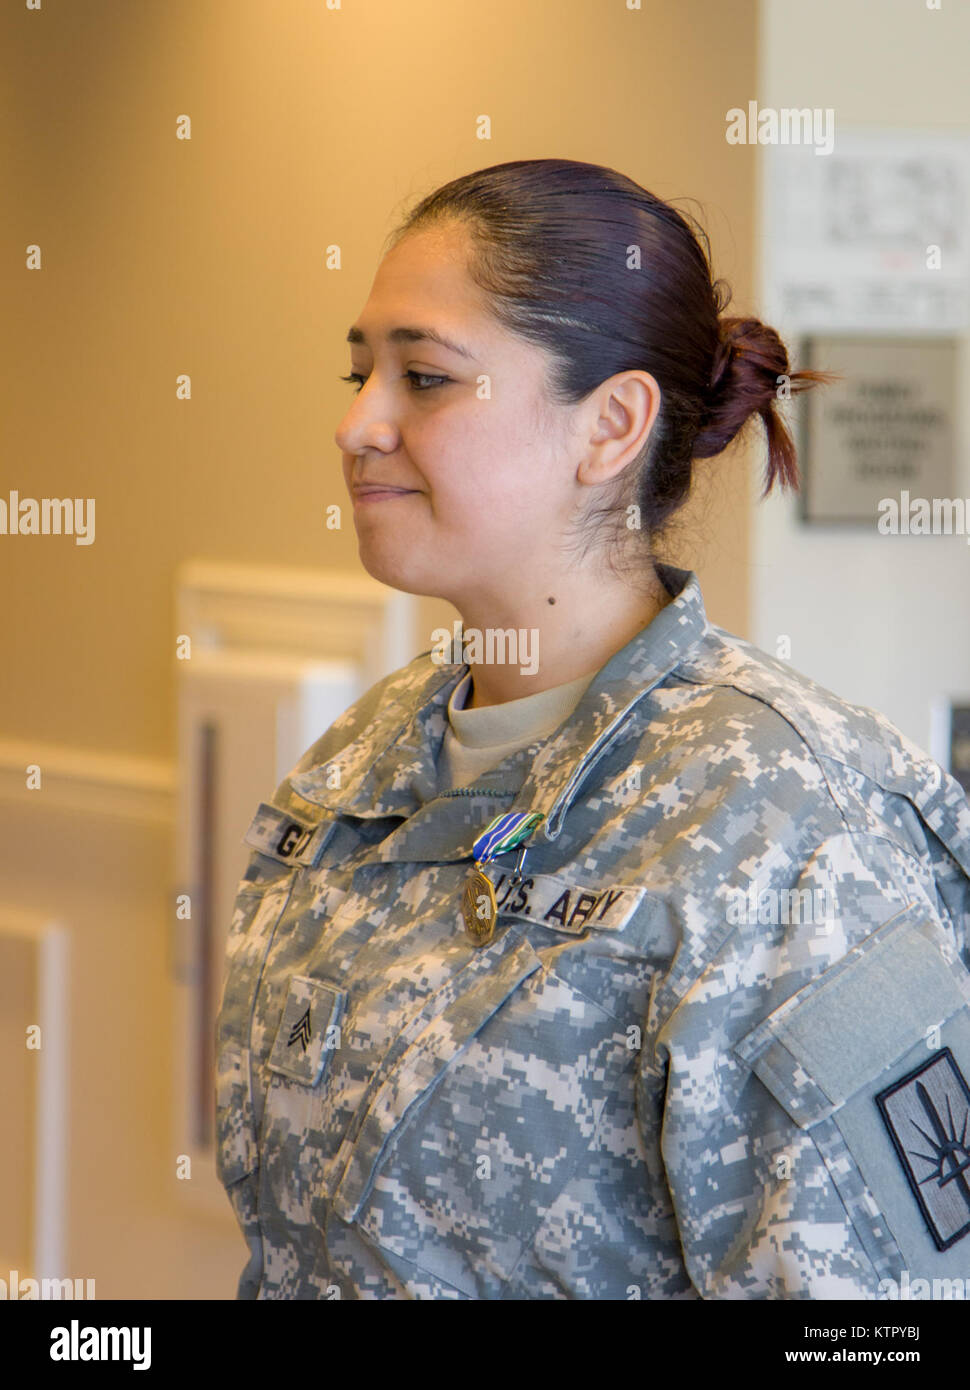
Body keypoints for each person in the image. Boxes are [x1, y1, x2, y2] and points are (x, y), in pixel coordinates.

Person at [215, 158, 970, 1300]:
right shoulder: (358, 765)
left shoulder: (787, 817)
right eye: (358, 369)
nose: (357, 421)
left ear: (610, 425)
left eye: (422, 375)